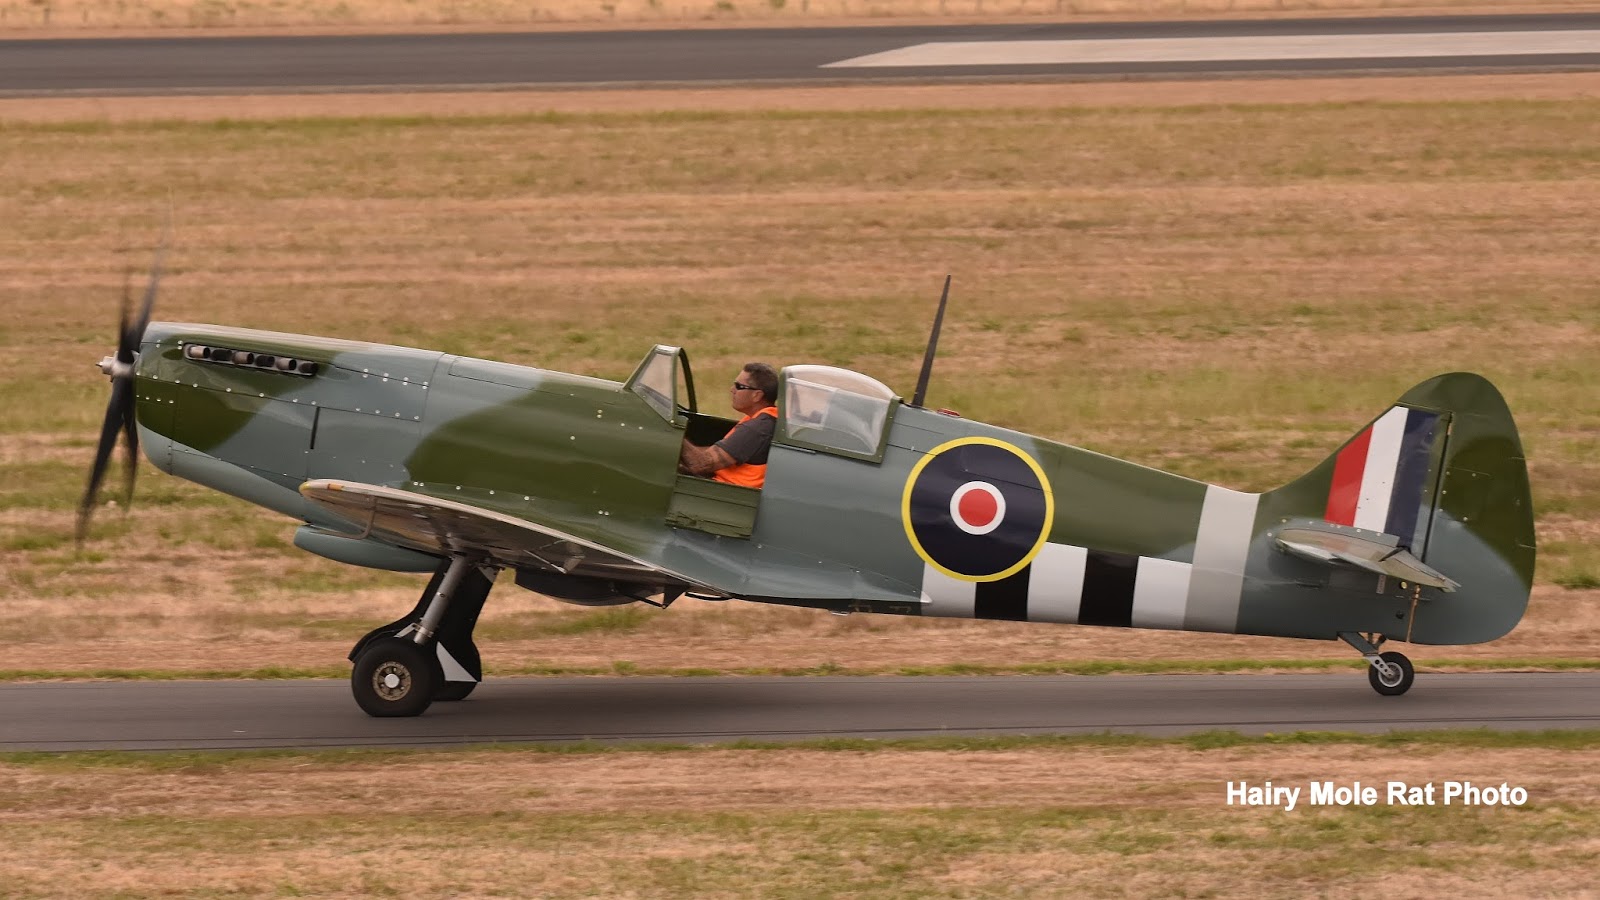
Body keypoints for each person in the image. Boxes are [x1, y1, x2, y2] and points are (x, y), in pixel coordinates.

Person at [679, 362, 779, 489]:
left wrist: (672, 433)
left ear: (757, 395)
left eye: (739, 386)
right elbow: (712, 455)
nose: (732, 390)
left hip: (723, 494)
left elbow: (701, 464)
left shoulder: (758, 428)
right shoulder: (761, 419)